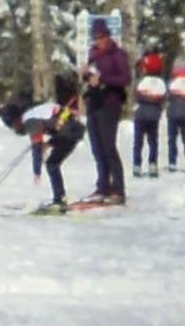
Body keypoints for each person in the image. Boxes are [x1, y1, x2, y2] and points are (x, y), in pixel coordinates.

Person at [80, 19, 131, 204]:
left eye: (101, 37)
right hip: (94, 102)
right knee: (97, 147)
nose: (98, 41)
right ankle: (102, 186)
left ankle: (118, 188)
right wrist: (86, 75)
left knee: (108, 146)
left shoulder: (117, 54)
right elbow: (90, 76)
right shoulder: (93, 54)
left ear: (108, 36)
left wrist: (104, 79)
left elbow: (125, 78)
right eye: (95, 38)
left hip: (110, 103)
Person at [25, 72, 87, 212]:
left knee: (52, 163)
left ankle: (59, 199)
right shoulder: (47, 111)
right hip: (73, 131)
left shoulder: (34, 118)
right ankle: (60, 197)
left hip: (70, 132)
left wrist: (37, 172)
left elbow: (37, 146)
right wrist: (48, 144)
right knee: (53, 163)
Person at [131, 52, 170, 179]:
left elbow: (137, 96)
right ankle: (153, 163)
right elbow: (164, 98)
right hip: (154, 115)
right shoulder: (161, 83)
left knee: (138, 142)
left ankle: (137, 164)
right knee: (153, 141)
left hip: (141, 115)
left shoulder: (143, 81)